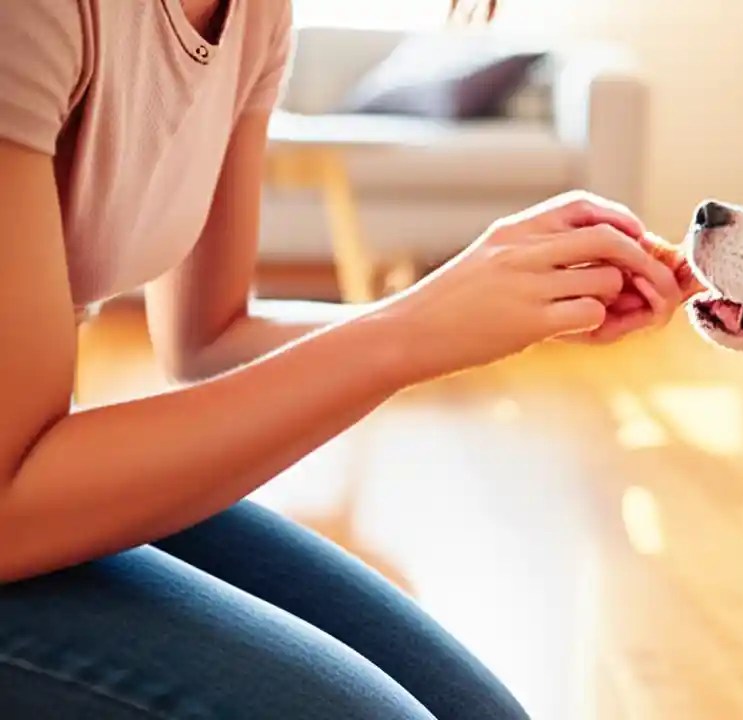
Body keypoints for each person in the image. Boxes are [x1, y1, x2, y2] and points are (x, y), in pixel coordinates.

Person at [0, 1, 693, 717]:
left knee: (474, 710)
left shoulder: (253, 16)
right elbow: (10, 507)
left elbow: (212, 339)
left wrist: (482, 309)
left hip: (30, 481)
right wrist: (412, 330)